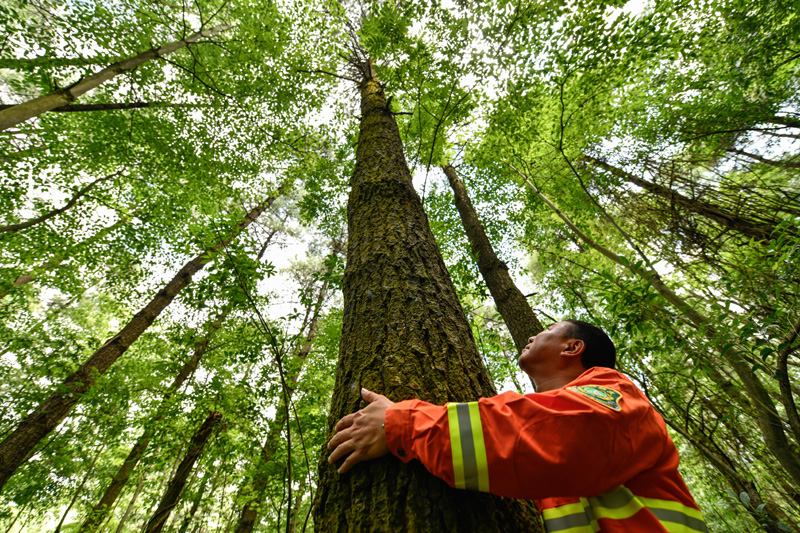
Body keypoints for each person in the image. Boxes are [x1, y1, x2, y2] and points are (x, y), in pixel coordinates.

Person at [327, 320, 708, 532]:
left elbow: (558, 439)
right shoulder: (540, 476)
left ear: (572, 348)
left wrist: (403, 422)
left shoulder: (617, 391)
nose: (531, 335)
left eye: (545, 331)